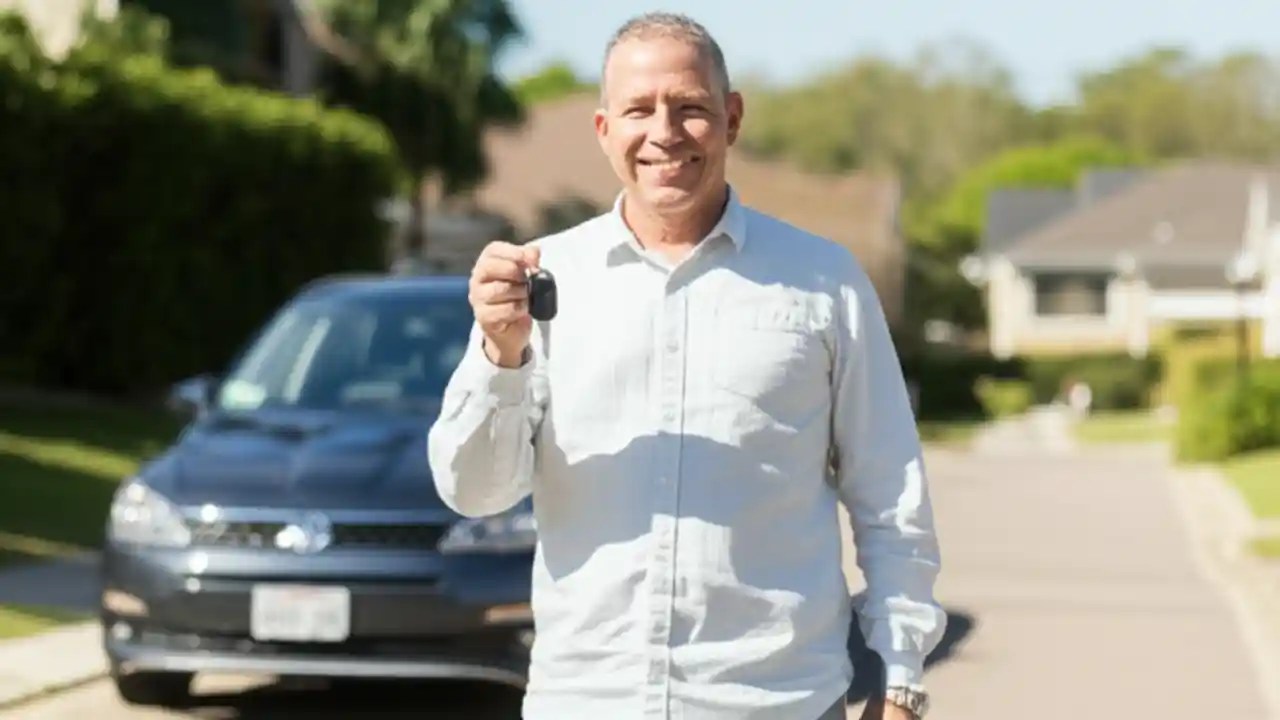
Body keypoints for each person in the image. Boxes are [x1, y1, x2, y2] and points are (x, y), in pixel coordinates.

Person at [427, 12, 945, 720]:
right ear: (605, 129)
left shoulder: (824, 281)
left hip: (776, 703)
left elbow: (890, 496)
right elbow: (475, 492)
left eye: (690, 107)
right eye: (639, 109)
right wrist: (500, 355)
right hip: (586, 702)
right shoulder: (544, 281)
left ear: (731, 119)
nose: (664, 133)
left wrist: (900, 682)